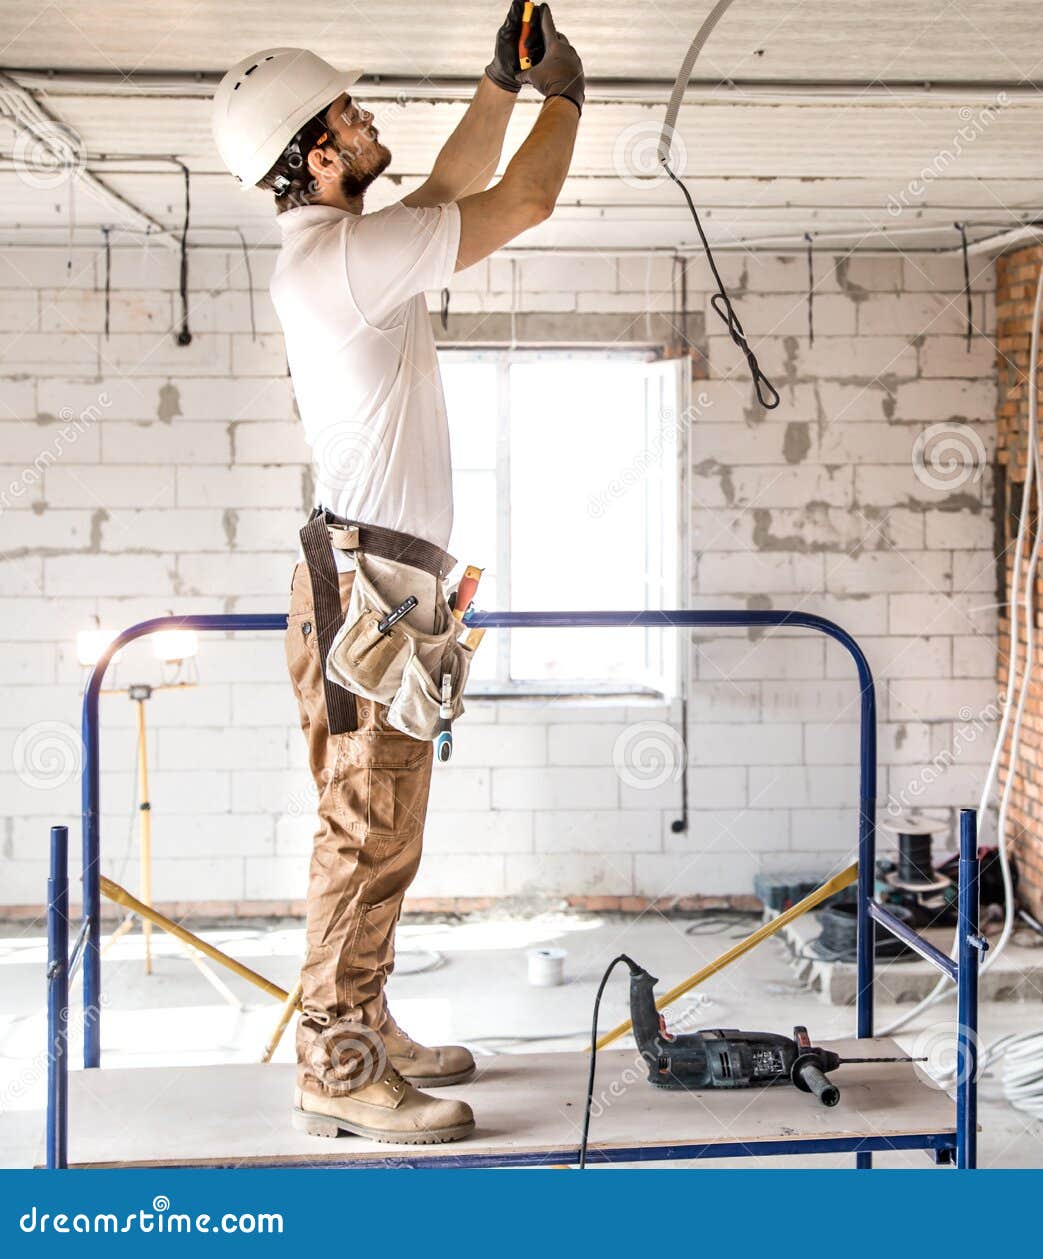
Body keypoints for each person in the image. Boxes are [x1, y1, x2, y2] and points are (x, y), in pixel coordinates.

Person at [210, 3, 583, 1144]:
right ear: (319, 156)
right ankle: (337, 1060)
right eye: (352, 115)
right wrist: (566, 93)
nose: (372, 122)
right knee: (365, 826)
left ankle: (364, 1021)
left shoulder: (350, 251)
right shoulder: (339, 265)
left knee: (381, 822)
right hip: (368, 584)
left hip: (380, 579)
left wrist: (499, 86)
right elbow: (520, 199)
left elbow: (442, 195)